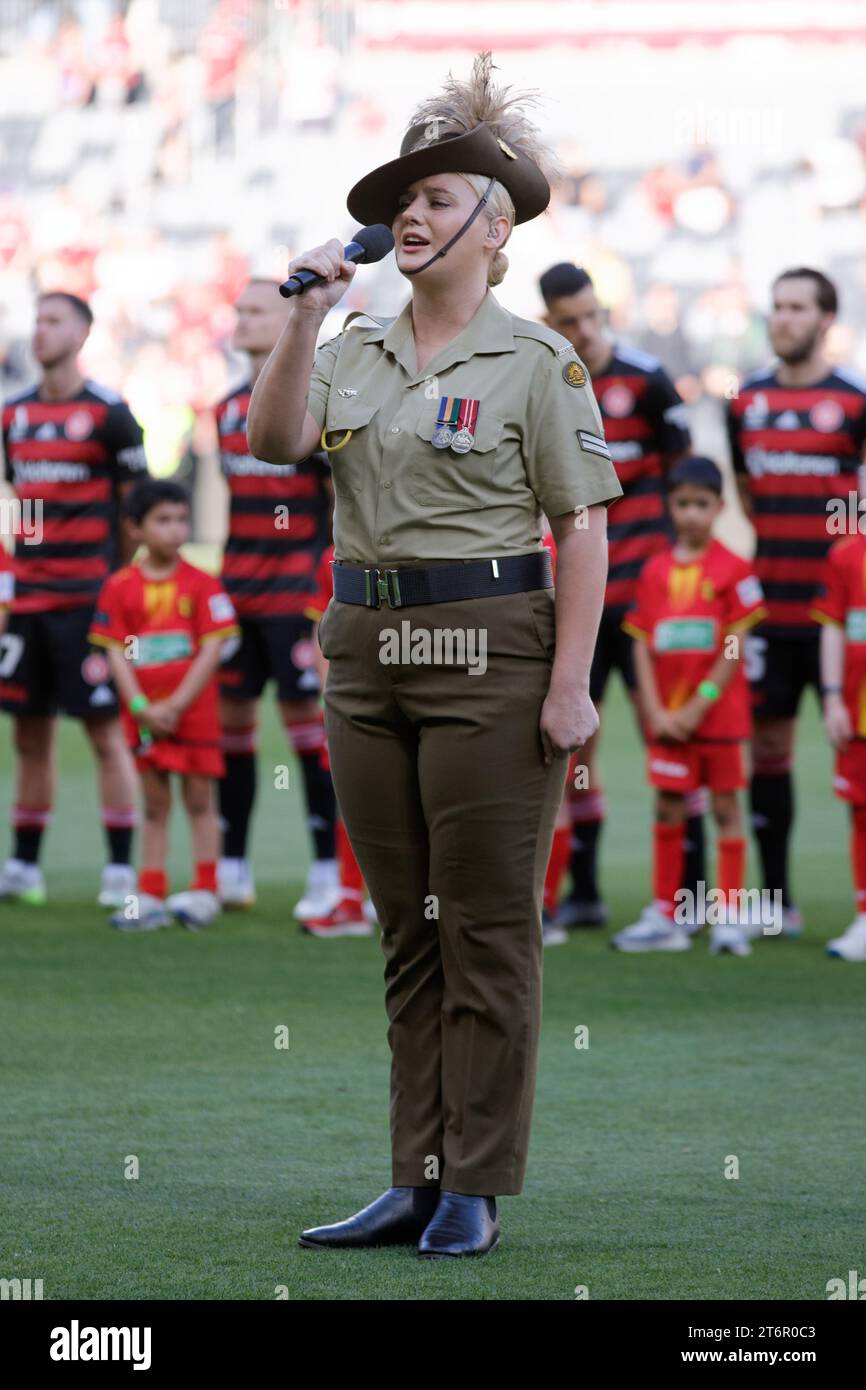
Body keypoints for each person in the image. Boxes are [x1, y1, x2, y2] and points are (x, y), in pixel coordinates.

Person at [247, 51, 623, 1257]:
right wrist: (302, 310)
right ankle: (411, 1176)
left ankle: (475, 1181)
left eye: (435, 197)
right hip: (362, 645)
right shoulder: (351, 341)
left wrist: (567, 685)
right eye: (397, 203)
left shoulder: (535, 359)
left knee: (486, 927)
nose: (406, 214)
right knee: (405, 927)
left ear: (492, 225)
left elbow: (581, 526)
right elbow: (268, 443)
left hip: (491, 648)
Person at [538, 263, 694, 931]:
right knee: (578, 749)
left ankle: (688, 897)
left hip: (649, 595)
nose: (587, 332)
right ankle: (587, 893)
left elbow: (690, 480)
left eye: (592, 316)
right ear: (551, 323)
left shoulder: (649, 381)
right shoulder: (547, 379)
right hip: (584, 598)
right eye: (570, 322)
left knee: (670, 733)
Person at [727, 268, 866, 936]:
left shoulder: (856, 401)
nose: (783, 318)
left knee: (859, 750)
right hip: (772, 613)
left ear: (825, 320)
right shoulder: (746, 400)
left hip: (845, 617)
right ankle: (778, 901)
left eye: (797, 308)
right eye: (777, 306)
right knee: (768, 750)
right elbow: (750, 493)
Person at [0, 292, 147, 909]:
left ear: (83, 334)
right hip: (29, 603)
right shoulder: (13, 416)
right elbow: (18, 502)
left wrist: (113, 581)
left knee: (104, 731)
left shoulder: (111, 414)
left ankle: (118, 871)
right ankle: (25, 866)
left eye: (55, 321)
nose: (41, 331)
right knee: (30, 737)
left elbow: (138, 511)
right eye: (37, 321)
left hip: (88, 602)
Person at [213, 279, 336, 920]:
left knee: (307, 733)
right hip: (237, 592)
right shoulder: (226, 407)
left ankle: (326, 870)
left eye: (255, 310)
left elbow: (338, 500)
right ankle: (232, 867)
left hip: (296, 595)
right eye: (238, 310)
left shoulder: (313, 401)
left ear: (286, 318)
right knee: (232, 729)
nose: (241, 319)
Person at [613, 457, 766, 955]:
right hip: (668, 720)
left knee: (725, 807)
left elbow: (733, 643)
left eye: (702, 504)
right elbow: (641, 642)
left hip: (717, 717)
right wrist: (656, 711)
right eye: (682, 504)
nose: (691, 513)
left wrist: (701, 703)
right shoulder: (655, 569)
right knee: (668, 805)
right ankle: (666, 914)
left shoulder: (733, 568)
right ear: (669, 506)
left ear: (720, 507)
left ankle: (728, 913)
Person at [89, 478, 240, 931]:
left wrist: (175, 705)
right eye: (163, 520)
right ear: (134, 528)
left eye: (181, 519)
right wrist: (139, 705)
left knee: (199, 801)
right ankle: (150, 893)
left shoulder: (202, 584)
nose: (175, 529)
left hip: (192, 715)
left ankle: (204, 890)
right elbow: (114, 650)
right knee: (154, 805)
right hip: (144, 718)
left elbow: (212, 650)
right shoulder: (119, 586)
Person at [302, 540, 374, 937]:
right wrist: (329, 692)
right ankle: (349, 900)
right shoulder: (336, 552)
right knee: (356, 793)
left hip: (421, 676)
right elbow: (320, 628)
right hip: (357, 690)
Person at [811, 529, 866, 960]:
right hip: (856, 710)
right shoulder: (846, 554)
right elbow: (832, 626)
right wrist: (831, 698)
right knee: (861, 812)